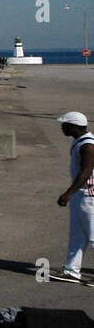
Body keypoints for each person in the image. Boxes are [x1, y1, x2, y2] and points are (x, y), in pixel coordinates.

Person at [54, 111, 94, 284]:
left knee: (93, 236)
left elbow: (85, 173)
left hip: (89, 196)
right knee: (77, 234)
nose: (62, 127)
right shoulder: (80, 142)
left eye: (65, 124)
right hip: (81, 195)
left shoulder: (88, 146)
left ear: (74, 126)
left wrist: (68, 193)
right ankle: (72, 271)